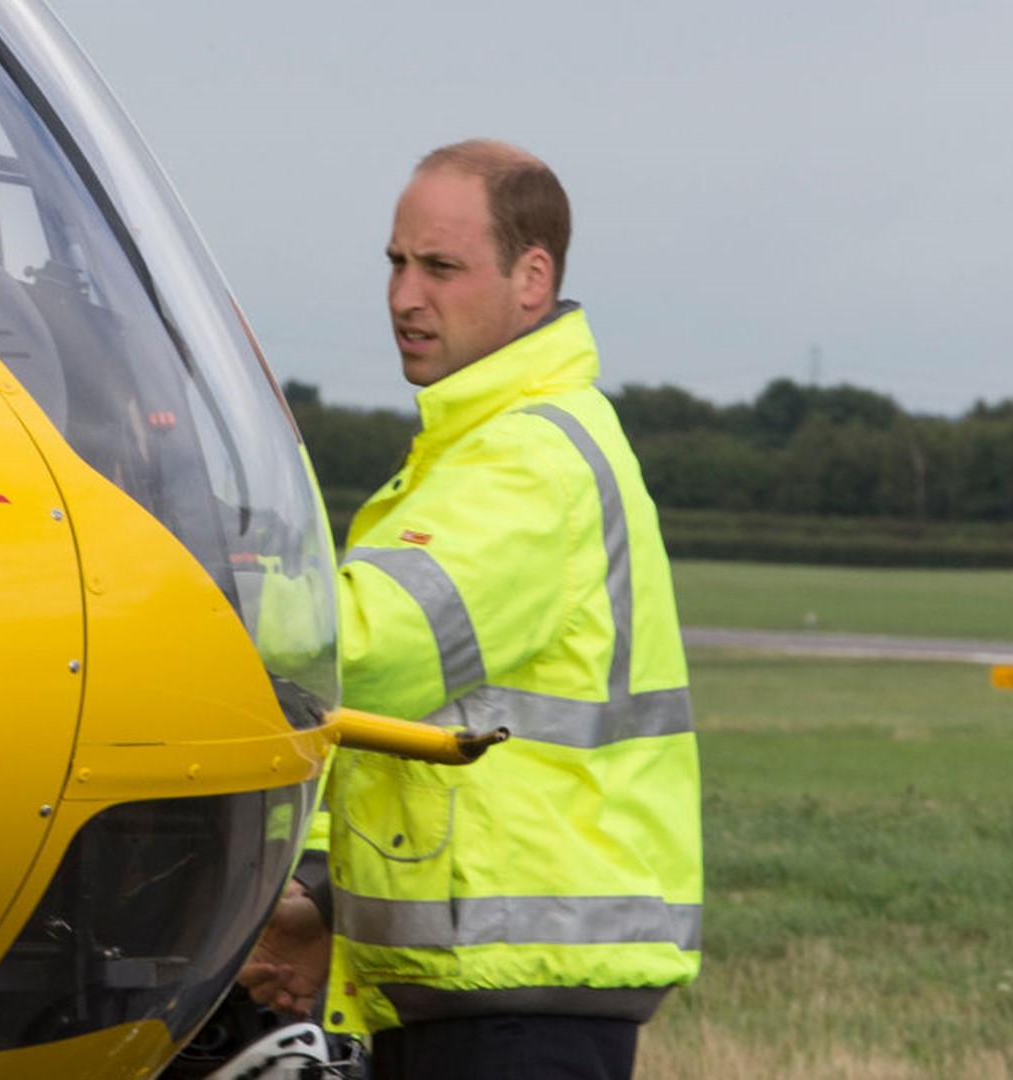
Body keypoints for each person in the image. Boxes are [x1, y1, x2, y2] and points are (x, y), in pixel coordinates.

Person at [238, 139, 703, 1079]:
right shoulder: (469, 450)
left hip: (518, 1015)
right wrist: (323, 898)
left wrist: (199, 582)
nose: (405, 296)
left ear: (533, 280)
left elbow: (361, 651)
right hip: (472, 1002)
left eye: (440, 267)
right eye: (397, 263)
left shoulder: (529, 462)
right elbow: (387, 725)